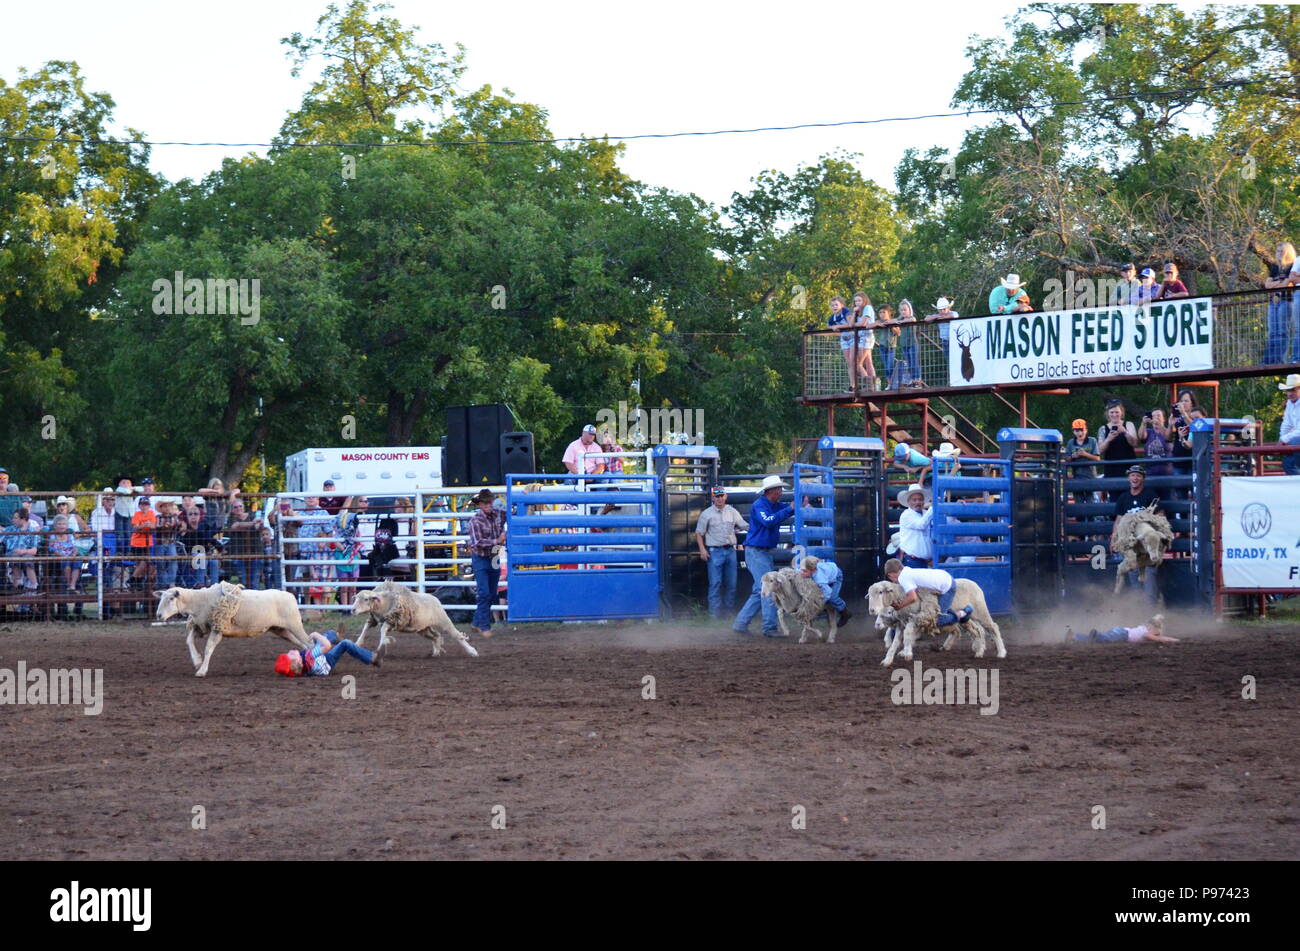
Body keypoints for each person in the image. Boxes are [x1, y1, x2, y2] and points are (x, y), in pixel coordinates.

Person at [732, 475, 795, 637]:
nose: (781, 492)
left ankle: (741, 623)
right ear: (771, 491)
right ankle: (769, 627)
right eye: (779, 489)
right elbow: (768, 521)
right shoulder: (760, 505)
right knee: (768, 588)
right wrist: (790, 508)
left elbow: (782, 511)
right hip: (757, 551)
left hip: (760, 552)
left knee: (759, 589)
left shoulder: (770, 504)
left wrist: (795, 507)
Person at [695, 485, 748, 619]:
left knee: (731, 584)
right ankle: (715, 615)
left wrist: (757, 529)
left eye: (721, 496)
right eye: (717, 496)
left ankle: (728, 613)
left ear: (725, 496)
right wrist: (702, 550)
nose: (719, 499)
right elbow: (699, 533)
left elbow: (744, 525)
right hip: (714, 551)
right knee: (715, 583)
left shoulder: (732, 511)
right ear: (713, 498)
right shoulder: (706, 513)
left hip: (730, 550)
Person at [881, 558, 974, 627]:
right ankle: (955, 614)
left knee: (938, 619)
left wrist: (899, 606)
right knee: (938, 610)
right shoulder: (907, 570)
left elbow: (913, 597)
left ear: (890, 575)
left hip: (948, 586)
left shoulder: (903, 577)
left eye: (890, 578)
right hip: (944, 577)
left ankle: (963, 613)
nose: (893, 581)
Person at [466, 488, 507, 637]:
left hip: (495, 554)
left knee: (490, 592)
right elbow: (478, 543)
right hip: (482, 556)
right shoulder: (475, 521)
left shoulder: (499, 514)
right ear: (481, 504)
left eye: (490, 502)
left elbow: (510, 514)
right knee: (484, 592)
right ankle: (484, 626)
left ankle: (477, 622)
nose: (489, 505)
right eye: (486, 502)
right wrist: (498, 540)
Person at [275, 629, 384, 677]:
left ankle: (336, 636)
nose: (290, 651)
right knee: (344, 643)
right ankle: (373, 658)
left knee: (323, 640)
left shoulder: (296, 671)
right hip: (327, 661)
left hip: (320, 665)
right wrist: (315, 634)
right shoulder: (309, 656)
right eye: (291, 654)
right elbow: (327, 646)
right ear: (297, 661)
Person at [1263, 241, 1298, 365]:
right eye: (1277, 251)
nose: (1278, 254)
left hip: (1286, 301)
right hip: (1273, 301)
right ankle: (1268, 360)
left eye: (1281, 251)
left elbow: (1288, 284)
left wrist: (1276, 285)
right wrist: (1280, 284)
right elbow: (1267, 285)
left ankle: (1278, 360)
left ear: (1287, 253)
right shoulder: (1274, 267)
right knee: (1272, 331)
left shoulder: (1292, 266)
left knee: (1282, 331)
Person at [1097, 399, 1138, 502]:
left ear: (1121, 413)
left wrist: (1125, 432)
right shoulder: (1103, 429)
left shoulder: (1129, 424)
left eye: (1117, 412)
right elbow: (1099, 451)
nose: (1114, 415)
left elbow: (1134, 443)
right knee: (1115, 499)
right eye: (1112, 412)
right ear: (1107, 414)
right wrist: (1108, 439)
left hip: (1128, 468)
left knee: (1131, 497)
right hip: (1112, 469)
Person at [799, 554, 850, 625]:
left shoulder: (819, 579)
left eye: (804, 571)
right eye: (801, 569)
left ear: (812, 571)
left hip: (836, 576)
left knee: (832, 597)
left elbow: (828, 593)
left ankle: (845, 613)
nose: (801, 573)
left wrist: (819, 604)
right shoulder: (811, 567)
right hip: (828, 573)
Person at [1068, 613, 1178, 645]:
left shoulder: (1143, 628)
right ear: (1153, 628)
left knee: (1095, 641)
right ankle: (1096, 633)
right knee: (1105, 639)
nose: (1156, 635)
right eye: (1157, 633)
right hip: (1122, 634)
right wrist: (1174, 640)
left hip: (1120, 631)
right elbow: (1159, 639)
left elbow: (1158, 638)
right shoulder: (1146, 632)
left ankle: (1074, 636)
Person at [895, 483, 934, 568]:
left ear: (923, 501)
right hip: (913, 561)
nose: (918, 502)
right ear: (908, 502)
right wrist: (933, 508)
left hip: (926, 562)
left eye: (920, 499)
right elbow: (921, 525)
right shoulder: (906, 515)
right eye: (914, 500)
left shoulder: (926, 513)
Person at [1137, 407, 1174, 496]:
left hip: (1167, 473)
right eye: (1153, 416)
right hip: (1150, 473)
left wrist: (1159, 425)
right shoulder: (1149, 432)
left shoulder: (1168, 430)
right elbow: (1141, 436)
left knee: (1168, 498)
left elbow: (1168, 437)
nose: (1156, 418)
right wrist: (1144, 423)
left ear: (1164, 419)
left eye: (1158, 415)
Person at [4, 508, 40, 593]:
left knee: (28, 560)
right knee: (13, 556)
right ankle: (19, 583)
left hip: (26, 552)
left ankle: (34, 586)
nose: (13, 520)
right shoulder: (9, 529)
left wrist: (23, 551)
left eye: (15, 518)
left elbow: (34, 550)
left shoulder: (32, 531)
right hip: (12, 553)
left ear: (23, 519)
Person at [827, 295, 858, 392]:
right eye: (832, 305)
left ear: (842, 305)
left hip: (853, 337)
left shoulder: (846, 312)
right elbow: (828, 325)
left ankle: (859, 383)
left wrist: (838, 327)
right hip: (844, 339)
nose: (834, 307)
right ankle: (852, 385)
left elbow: (850, 324)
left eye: (836, 305)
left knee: (853, 361)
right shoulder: (833, 317)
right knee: (849, 363)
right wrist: (833, 327)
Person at [888, 300, 920, 390]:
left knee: (914, 362)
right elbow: (891, 321)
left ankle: (917, 380)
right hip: (904, 345)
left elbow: (912, 320)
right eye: (901, 310)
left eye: (905, 310)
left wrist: (900, 322)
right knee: (909, 363)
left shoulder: (911, 318)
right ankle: (912, 380)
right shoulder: (899, 319)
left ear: (909, 310)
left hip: (912, 343)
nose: (903, 312)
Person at [1066, 418, 1100, 498]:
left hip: (1090, 476)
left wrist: (1085, 454)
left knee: (1090, 500)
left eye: (1081, 430)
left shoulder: (1092, 441)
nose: (1080, 433)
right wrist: (1073, 456)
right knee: (1078, 500)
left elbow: (1097, 458)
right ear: (1074, 431)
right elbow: (1067, 459)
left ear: (1086, 430)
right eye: (1077, 430)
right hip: (1076, 476)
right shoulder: (1070, 443)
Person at [924, 297, 958, 377]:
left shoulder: (953, 313)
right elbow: (926, 319)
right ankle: (952, 379)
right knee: (949, 361)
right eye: (940, 309)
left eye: (944, 309)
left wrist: (939, 317)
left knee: (956, 360)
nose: (942, 311)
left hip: (955, 341)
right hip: (945, 341)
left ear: (948, 308)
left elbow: (954, 315)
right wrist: (937, 317)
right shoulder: (937, 315)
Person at [852, 291, 878, 392]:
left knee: (858, 363)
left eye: (859, 300)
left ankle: (869, 385)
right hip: (862, 337)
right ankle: (873, 386)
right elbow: (852, 323)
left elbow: (863, 323)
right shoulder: (859, 311)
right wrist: (854, 312)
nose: (857, 303)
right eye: (855, 301)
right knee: (868, 362)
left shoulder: (867, 308)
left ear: (864, 300)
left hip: (867, 337)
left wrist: (854, 325)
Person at [1278, 373, 1300, 475]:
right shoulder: (1290, 404)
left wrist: (1284, 439)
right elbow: (1286, 423)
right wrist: (1282, 437)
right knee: (1287, 464)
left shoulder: (1290, 403)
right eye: (1288, 390)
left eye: (1293, 390)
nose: (1290, 393)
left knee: (1295, 441)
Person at [875, 304, 897, 390]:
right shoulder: (879, 322)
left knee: (890, 365)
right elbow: (872, 324)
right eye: (880, 312)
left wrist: (890, 325)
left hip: (891, 346)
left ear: (889, 313)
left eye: (884, 312)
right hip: (882, 346)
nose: (882, 314)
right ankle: (889, 384)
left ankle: (892, 383)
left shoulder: (894, 321)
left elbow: (898, 333)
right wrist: (878, 324)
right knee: (886, 366)